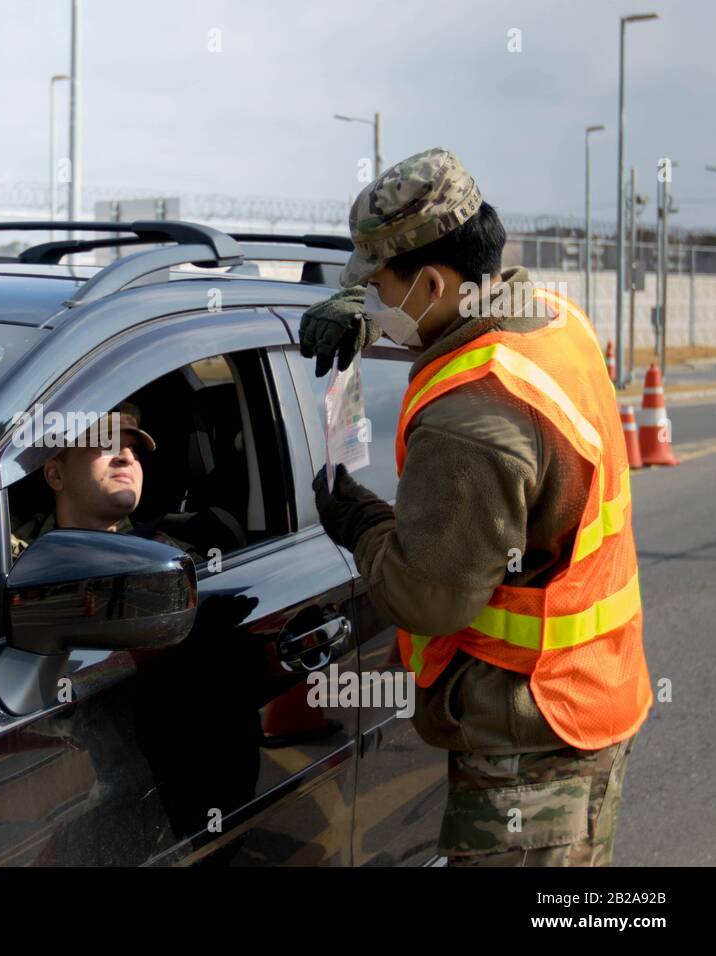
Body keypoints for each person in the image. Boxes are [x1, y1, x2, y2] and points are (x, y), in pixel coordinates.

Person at [300, 147, 649, 866]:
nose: (371, 300)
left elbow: (429, 597)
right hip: (592, 691)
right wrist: (373, 319)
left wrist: (360, 522)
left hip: (533, 742)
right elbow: (458, 329)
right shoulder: (550, 316)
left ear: (432, 280)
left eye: (377, 286)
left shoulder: (472, 422)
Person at [0, 402, 203, 632]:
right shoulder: (14, 546)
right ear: (56, 475)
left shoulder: (168, 557)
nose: (128, 458)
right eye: (106, 444)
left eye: (135, 451)